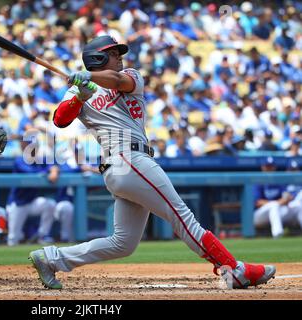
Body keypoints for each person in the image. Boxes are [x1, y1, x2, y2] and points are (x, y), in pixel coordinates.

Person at [29, 35, 276, 290]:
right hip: (126, 159)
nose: (120, 57)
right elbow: (59, 120)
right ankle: (232, 269)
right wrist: (79, 97)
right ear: (98, 58)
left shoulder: (130, 76)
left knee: (123, 243)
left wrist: (88, 78)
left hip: (129, 164)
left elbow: (116, 81)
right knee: (182, 217)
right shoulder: (78, 90)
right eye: (114, 54)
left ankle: (51, 259)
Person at [6, 140, 56, 246]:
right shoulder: (19, 160)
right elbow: (30, 173)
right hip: (18, 203)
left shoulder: (39, 160)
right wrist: (45, 172)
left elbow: (53, 166)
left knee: (50, 204)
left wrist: (53, 170)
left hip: (32, 202)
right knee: (13, 238)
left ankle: (42, 235)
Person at [254, 158, 302, 238]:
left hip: (276, 212)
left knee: (298, 207)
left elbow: (286, 196)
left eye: (271, 167)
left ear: (274, 167)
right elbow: (258, 202)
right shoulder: (258, 181)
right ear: (263, 167)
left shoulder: (279, 180)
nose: (269, 169)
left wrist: (285, 199)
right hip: (259, 215)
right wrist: (278, 202)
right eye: (267, 167)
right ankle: (278, 234)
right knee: (274, 205)